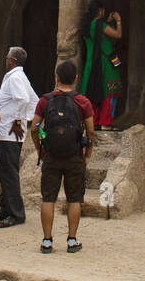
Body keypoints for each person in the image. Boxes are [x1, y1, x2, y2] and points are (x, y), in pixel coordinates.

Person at [31, 60, 97, 254]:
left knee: (48, 198)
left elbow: (34, 129)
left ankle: (47, 241)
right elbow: (91, 132)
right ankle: (72, 239)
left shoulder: (45, 100)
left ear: (57, 77)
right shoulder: (83, 102)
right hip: (75, 155)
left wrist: (41, 149)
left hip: (51, 155)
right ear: (76, 79)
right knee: (74, 198)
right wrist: (87, 154)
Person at [0, 46, 38, 228]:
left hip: (10, 132)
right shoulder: (17, 76)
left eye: (7, 58)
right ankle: (5, 209)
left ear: (12, 61)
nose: (5, 60)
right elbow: (33, 99)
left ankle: (16, 213)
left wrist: (19, 121)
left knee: (9, 173)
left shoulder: (16, 77)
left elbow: (24, 99)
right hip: (7, 131)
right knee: (5, 171)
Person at [80, 0, 123, 129]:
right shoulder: (100, 24)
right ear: (100, 11)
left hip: (91, 64)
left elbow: (100, 37)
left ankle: (93, 122)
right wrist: (119, 21)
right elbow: (118, 35)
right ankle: (105, 123)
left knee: (92, 91)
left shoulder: (88, 25)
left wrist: (108, 22)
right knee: (109, 91)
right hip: (105, 64)